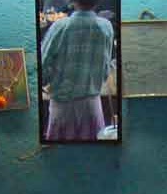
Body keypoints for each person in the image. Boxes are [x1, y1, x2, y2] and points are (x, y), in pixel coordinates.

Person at [40, 0, 115, 141]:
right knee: (94, 152)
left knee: (60, 152)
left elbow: (42, 68)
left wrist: (50, 82)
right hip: (92, 106)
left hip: (62, 108)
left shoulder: (60, 26)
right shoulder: (106, 26)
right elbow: (105, 70)